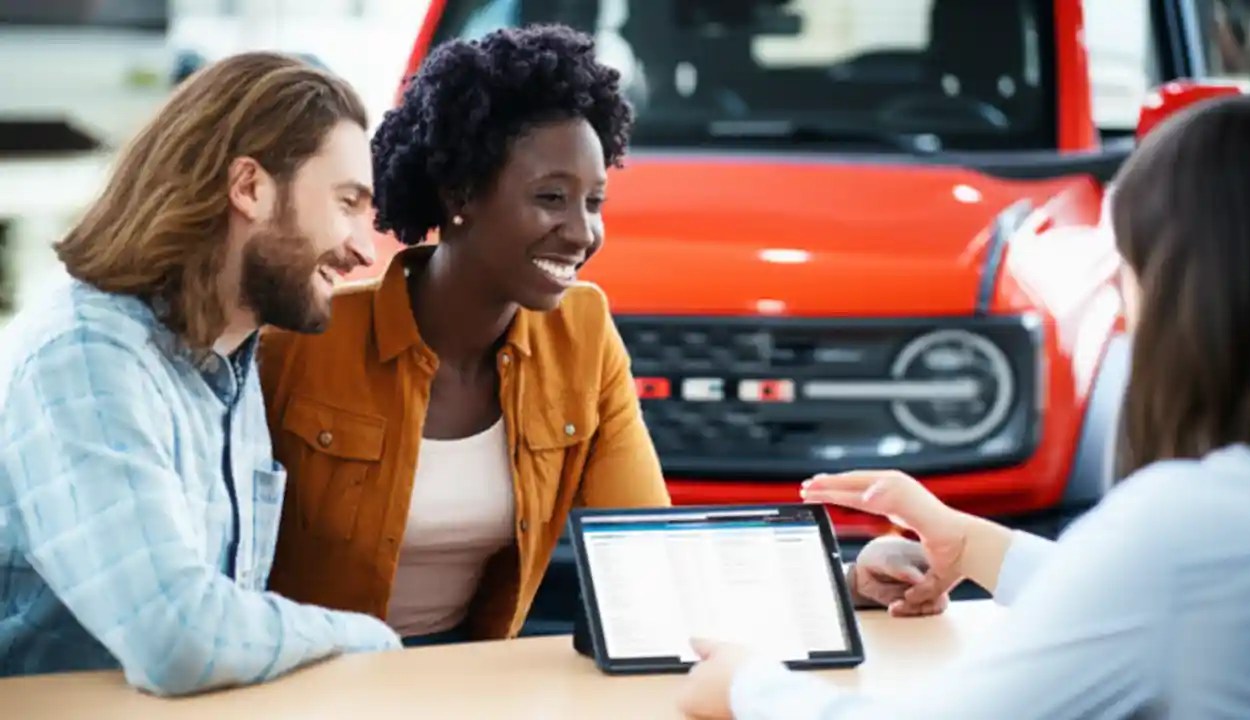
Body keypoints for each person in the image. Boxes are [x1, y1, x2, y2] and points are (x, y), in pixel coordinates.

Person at [258, 24, 937, 647]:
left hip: (468, 678)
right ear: (460, 193)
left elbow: (657, 556)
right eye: (551, 197)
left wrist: (849, 585)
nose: (582, 233)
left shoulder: (581, 335)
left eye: (594, 201)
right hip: (303, 678)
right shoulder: (303, 340)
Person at [677, 93, 1250, 719]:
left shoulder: (1189, 528)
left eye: (1131, 275)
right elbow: (1152, 607)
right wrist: (973, 545)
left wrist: (748, 688)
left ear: (1192, 299)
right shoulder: (1226, 528)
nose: (1127, 316)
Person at [0, 52, 401, 695]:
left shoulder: (230, 362)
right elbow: (180, 638)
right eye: (347, 202)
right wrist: (367, 638)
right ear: (248, 188)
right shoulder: (83, 360)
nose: (363, 247)